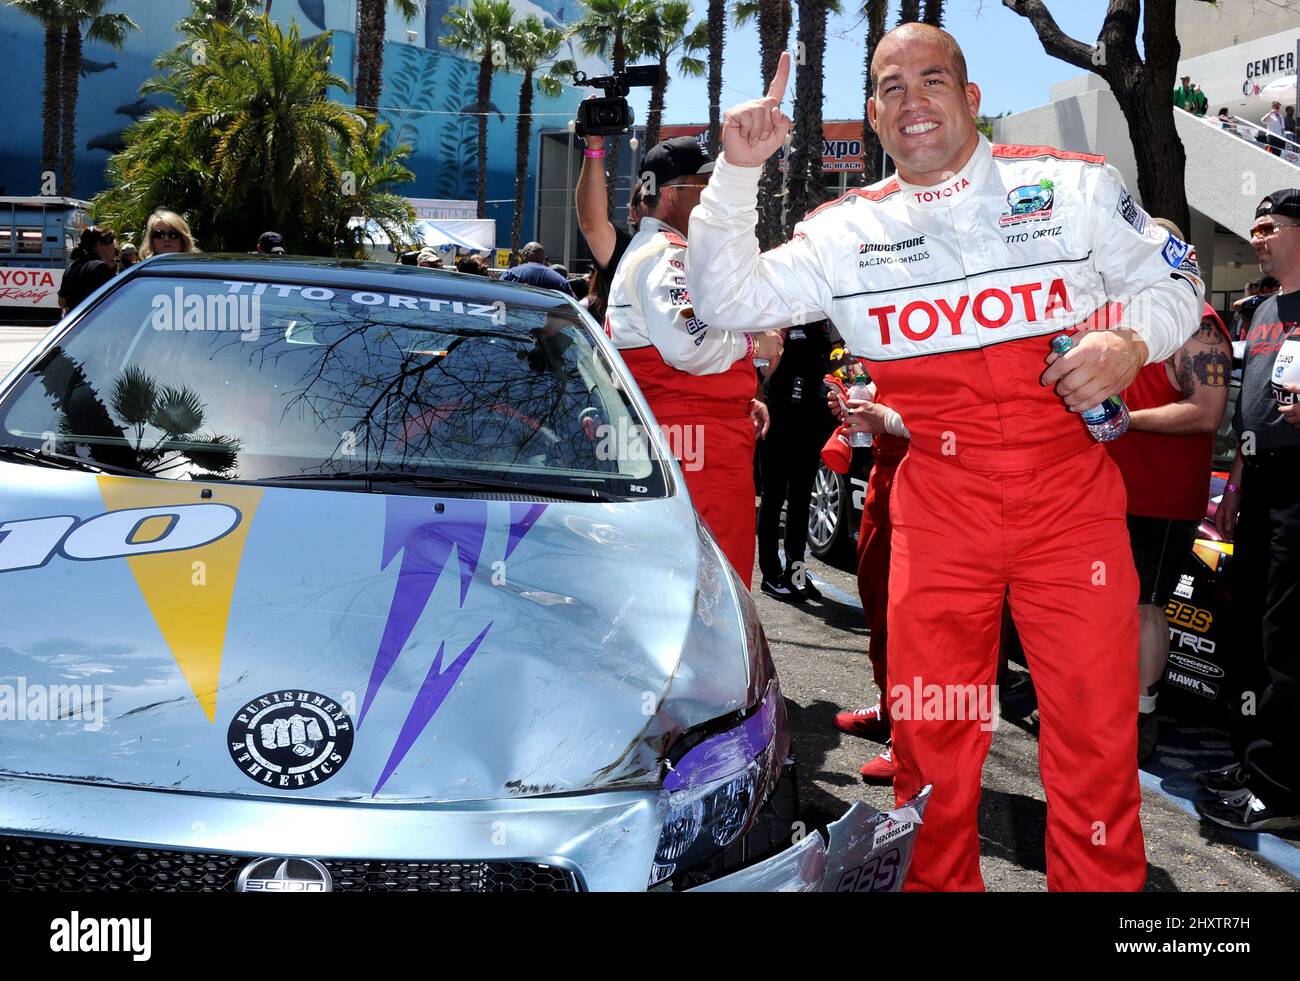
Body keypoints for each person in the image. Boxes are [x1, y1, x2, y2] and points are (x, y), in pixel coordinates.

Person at [686, 24, 1203, 890]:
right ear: (875, 120)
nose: (912, 100)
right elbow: (724, 296)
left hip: (1070, 513)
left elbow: (1177, 282)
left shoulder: (1070, 185)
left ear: (971, 98)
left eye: (932, 79)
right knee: (935, 746)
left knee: (1093, 744)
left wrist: (1127, 342)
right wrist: (738, 172)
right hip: (940, 516)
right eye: (891, 88)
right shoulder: (846, 229)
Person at [606, 135, 782, 586]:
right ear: (668, 196)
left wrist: (741, 391)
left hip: (686, 440)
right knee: (716, 591)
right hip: (698, 449)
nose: (710, 199)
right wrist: (752, 346)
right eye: (701, 188)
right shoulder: (667, 255)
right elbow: (689, 347)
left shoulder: (653, 253)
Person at [1105, 217, 1232, 762]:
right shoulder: (1121, 316)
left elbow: (1206, 413)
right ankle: (1103, 707)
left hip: (1159, 495)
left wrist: (1122, 419)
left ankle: (1140, 718)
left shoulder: (1198, 324)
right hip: (1103, 491)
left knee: (1143, 605)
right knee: (1104, 605)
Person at [1197, 189, 1300, 832]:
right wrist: (1234, 480)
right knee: (1251, 633)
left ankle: (1282, 792)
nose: (1255, 238)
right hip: (1257, 478)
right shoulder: (1260, 307)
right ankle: (1255, 761)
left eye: (1268, 227)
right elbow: (1248, 406)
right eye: (1253, 227)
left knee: (1287, 637)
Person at [756, 320, 835, 601]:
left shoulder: (819, 320)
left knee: (801, 497)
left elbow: (830, 359)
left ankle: (796, 571)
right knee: (774, 496)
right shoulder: (777, 315)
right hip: (778, 414)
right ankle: (770, 574)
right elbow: (764, 368)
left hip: (811, 418)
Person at [577, 133, 646, 325]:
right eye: (648, 199)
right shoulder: (626, 251)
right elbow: (592, 224)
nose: (661, 203)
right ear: (634, 213)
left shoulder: (694, 250)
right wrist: (594, 147)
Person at [57, 225, 117, 315]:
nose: (114, 246)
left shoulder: (73, 266)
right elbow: (109, 302)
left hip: (74, 321)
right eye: (112, 242)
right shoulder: (100, 267)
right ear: (99, 244)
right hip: (92, 322)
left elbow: (61, 302)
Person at [499, 242, 574, 294]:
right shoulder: (560, 280)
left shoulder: (509, 274)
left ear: (523, 257)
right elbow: (573, 305)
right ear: (543, 259)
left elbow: (497, 296)